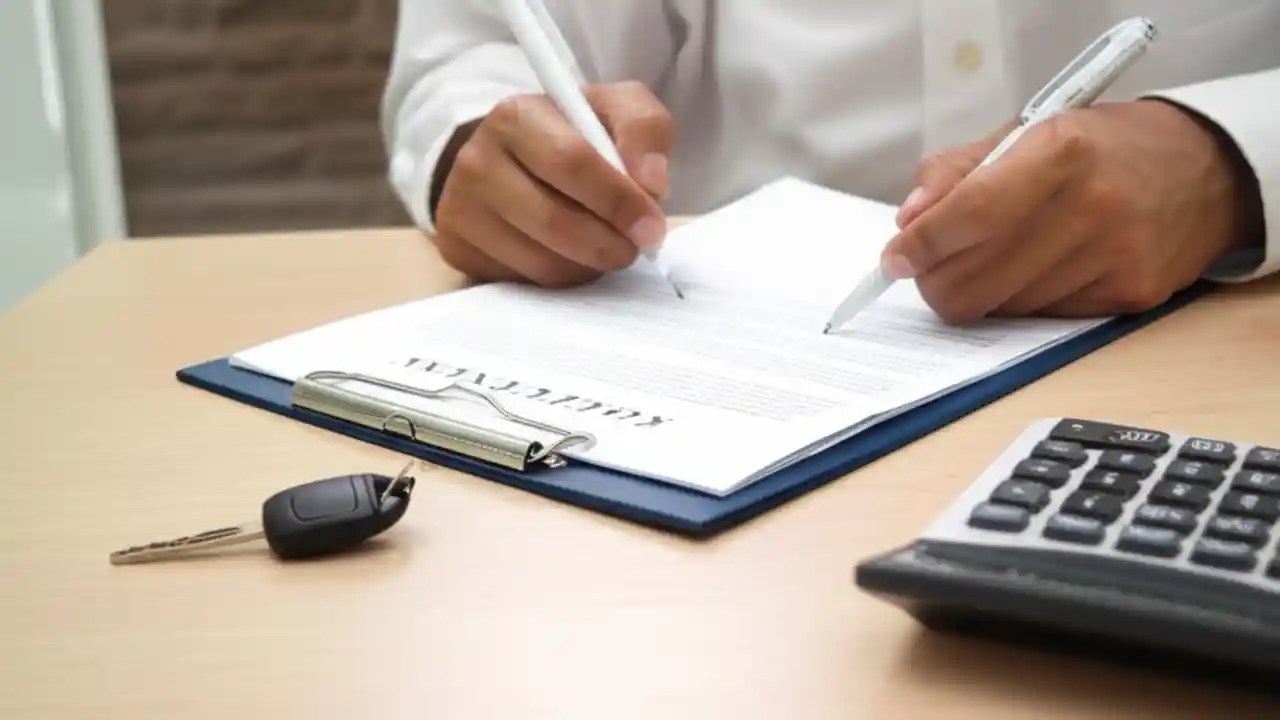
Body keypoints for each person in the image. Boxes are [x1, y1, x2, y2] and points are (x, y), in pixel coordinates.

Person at [380, 2, 1280, 323]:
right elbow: (479, 53)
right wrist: (488, 149)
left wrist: (1235, 161)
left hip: (1202, 350)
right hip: (693, 348)